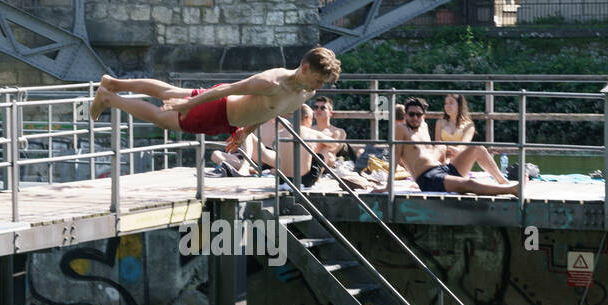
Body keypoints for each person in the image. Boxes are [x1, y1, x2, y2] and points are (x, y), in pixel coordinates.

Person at [88, 47, 342, 153]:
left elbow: (270, 111)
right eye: (319, 80)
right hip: (219, 110)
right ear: (305, 69)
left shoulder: (307, 93)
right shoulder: (272, 82)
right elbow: (228, 89)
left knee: (168, 92)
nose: (320, 87)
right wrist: (189, 105)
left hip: (229, 120)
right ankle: (109, 99)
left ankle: (113, 83)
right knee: (162, 119)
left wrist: (245, 132)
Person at [396, 97, 518, 196]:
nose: (415, 118)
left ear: (423, 116)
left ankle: (503, 181)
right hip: (429, 178)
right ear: (405, 115)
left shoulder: (424, 127)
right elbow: (395, 157)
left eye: (418, 114)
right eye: (411, 114)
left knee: (478, 148)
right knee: (469, 184)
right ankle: (511, 190)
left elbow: (430, 153)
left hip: (444, 170)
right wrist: (387, 186)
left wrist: (444, 153)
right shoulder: (401, 129)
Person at [428, 92, 509, 182]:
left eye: (451, 103)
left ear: (459, 105)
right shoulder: (440, 122)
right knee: (438, 148)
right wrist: (445, 149)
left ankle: (501, 179)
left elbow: (461, 148)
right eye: (446, 103)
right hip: (442, 160)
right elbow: (438, 145)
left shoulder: (469, 126)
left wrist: (447, 148)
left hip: (459, 161)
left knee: (479, 148)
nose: (447, 106)